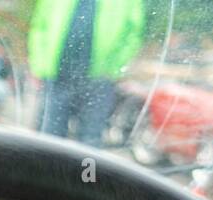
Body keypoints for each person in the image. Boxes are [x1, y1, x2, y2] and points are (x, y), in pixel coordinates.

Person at [28, 0, 144, 146]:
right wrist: (40, 66)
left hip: (99, 80)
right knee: (50, 137)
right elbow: (40, 26)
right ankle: (50, 169)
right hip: (58, 76)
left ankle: (87, 170)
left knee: (90, 141)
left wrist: (114, 68)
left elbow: (133, 34)